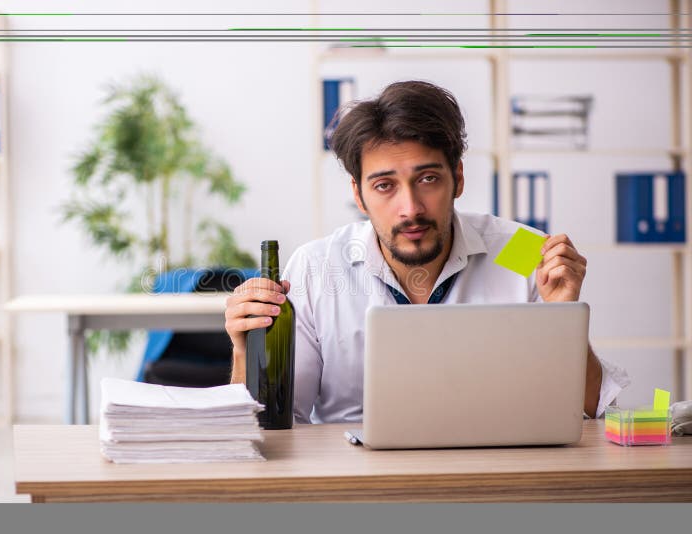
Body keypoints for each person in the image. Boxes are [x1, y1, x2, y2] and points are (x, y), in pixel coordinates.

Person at [226, 80, 630, 424]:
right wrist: (246, 353)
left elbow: (595, 412)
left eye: (428, 178)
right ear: (359, 195)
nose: (411, 208)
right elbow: (267, 425)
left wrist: (564, 322)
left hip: (495, 480)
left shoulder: (520, 249)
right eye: (385, 185)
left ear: (457, 178)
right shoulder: (316, 267)